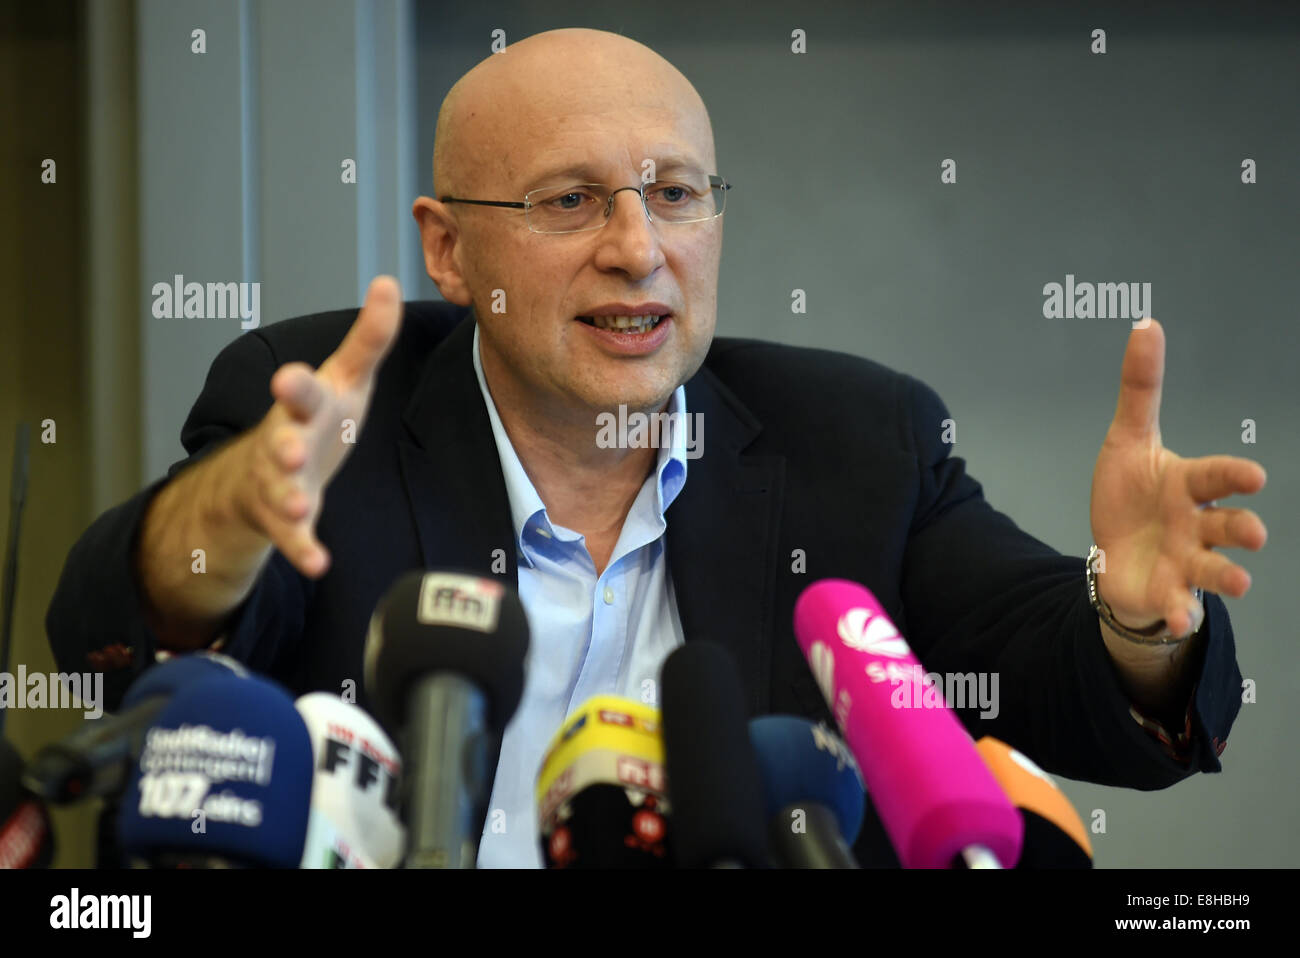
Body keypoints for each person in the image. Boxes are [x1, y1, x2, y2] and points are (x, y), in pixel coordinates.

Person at [48, 28, 1267, 867]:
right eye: (569, 200)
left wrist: (1135, 617)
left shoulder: (856, 442)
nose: (639, 248)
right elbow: (126, 639)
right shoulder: (327, 409)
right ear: (447, 248)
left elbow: (1045, 666)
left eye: (676, 194)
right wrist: (229, 511)